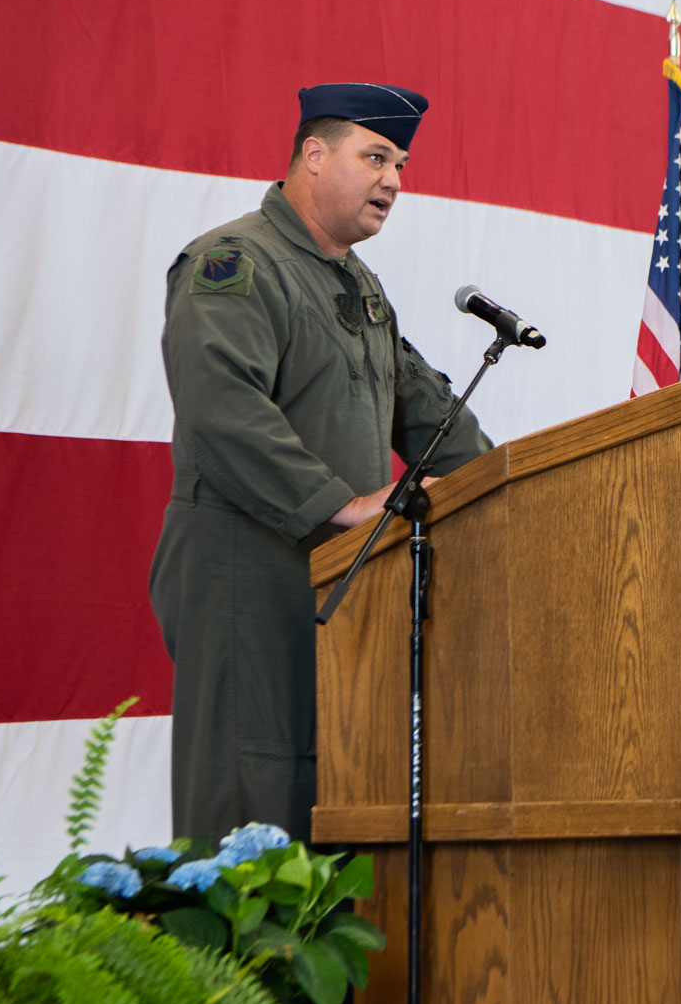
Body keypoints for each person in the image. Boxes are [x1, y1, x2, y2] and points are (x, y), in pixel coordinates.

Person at [150, 82, 493, 846]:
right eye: (375, 157)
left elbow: (427, 406)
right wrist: (344, 504)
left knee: (333, 796)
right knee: (253, 804)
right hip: (250, 579)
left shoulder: (356, 283)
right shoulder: (234, 263)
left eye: (400, 163)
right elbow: (221, 411)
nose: (395, 181)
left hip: (341, 577)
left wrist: (508, 493)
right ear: (313, 155)